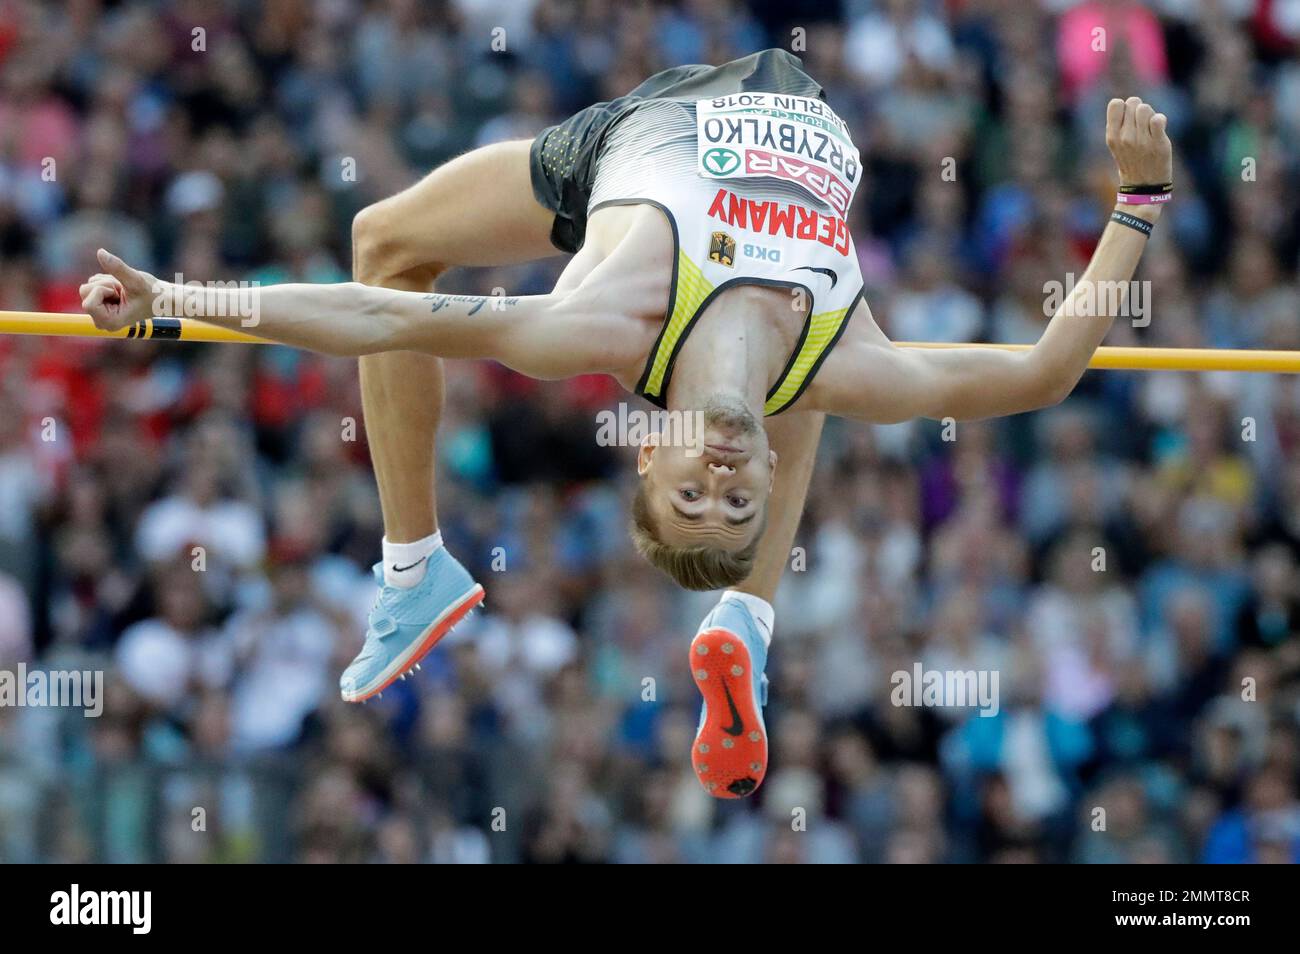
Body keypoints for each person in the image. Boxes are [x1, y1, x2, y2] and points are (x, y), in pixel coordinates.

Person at [80, 49, 1173, 798]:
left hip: (625, 142)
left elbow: (376, 313)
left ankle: (412, 565)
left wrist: (179, 304)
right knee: (796, 383)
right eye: (735, 500)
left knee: (381, 236)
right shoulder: (851, 365)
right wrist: (1138, 203)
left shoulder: (588, 324)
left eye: (691, 489)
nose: (726, 475)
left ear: (646, 450)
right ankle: (746, 620)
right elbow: (1041, 372)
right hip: (798, 113)